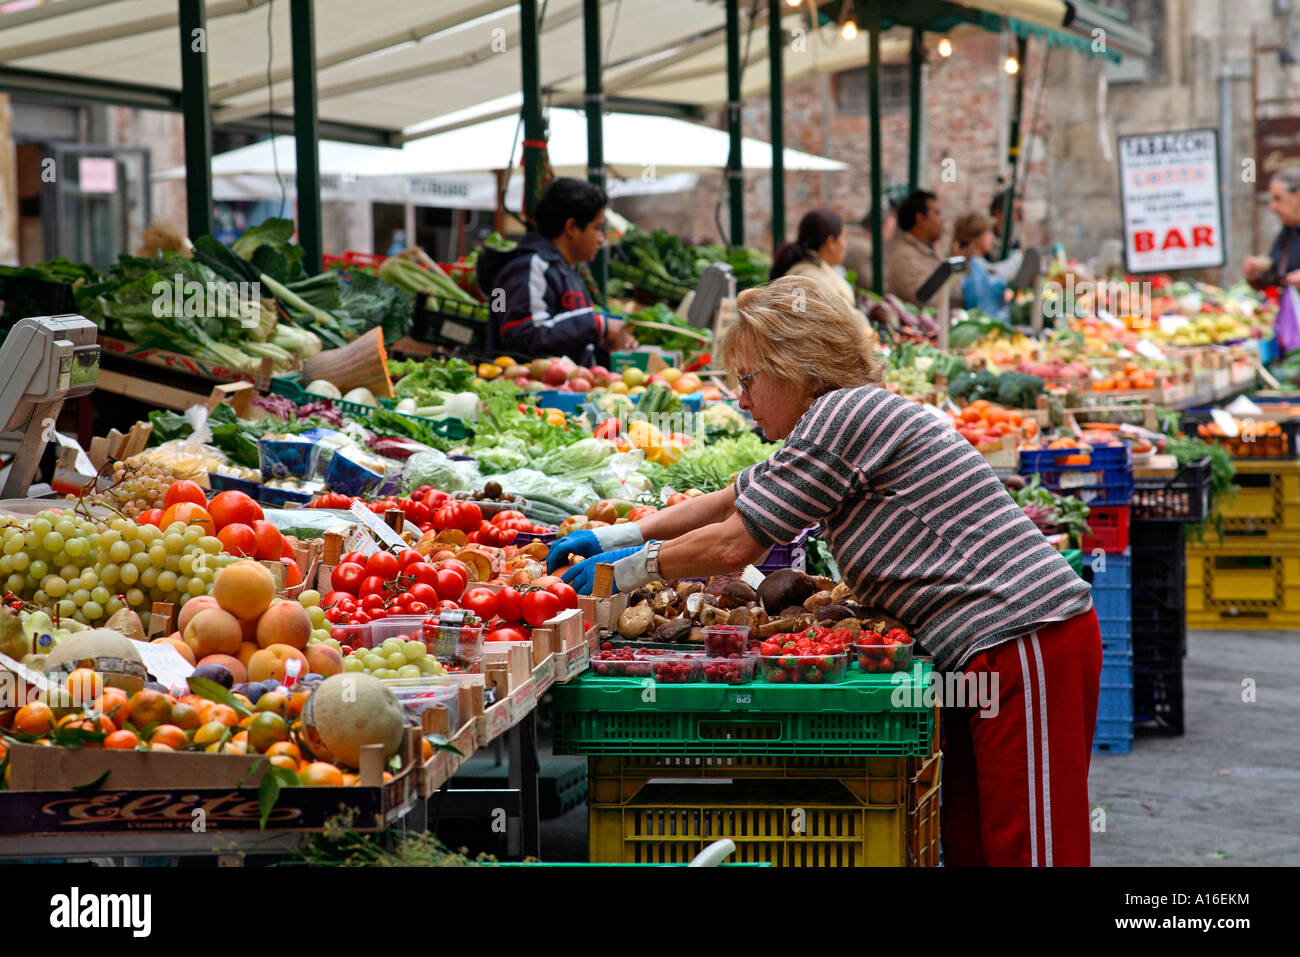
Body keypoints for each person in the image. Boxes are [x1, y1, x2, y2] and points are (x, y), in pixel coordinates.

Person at [549, 275, 1101, 866]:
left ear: (798, 365)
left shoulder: (844, 414)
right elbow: (733, 498)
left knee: (1031, 849)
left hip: (1025, 637)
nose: (741, 399)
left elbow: (736, 545)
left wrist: (632, 569)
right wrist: (618, 534)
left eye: (748, 379)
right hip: (982, 650)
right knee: (972, 841)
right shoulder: (830, 422)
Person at [476, 177, 634, 364]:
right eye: (597, 228)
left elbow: (572, 350)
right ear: (572, 228)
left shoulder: (569, 271)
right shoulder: (528, 267)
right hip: (529, 391)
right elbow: (522, 336)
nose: (601, 239)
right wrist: (597, 325)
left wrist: (606, 347)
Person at [768, 209, 857, 308]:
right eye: (843, 238)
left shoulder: (807, 273)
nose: (845, 245)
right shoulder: (813, 281)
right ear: (831, 242)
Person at [884, 189, 947, 308]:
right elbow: (926, 300)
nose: (942, 220)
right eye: (937, 213)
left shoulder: (931, 250)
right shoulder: (905, 257)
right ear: (920, 218)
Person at [1243, 168, 1300, 291]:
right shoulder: (1288, 232)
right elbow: (1275, 278)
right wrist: (1254, 276)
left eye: (1278, 198)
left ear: (1298, 195)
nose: (1272, 207)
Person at [951, 213, 1010, 320]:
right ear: (975, 238)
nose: (992, 237)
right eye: (988, 232)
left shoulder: (977, 264)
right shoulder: (965, 264)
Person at [842, 200, 898, 295]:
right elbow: (871, 284)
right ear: (878, 226)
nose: (891, 236)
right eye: (890, 231)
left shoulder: (863, 242)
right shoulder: (863, 248)